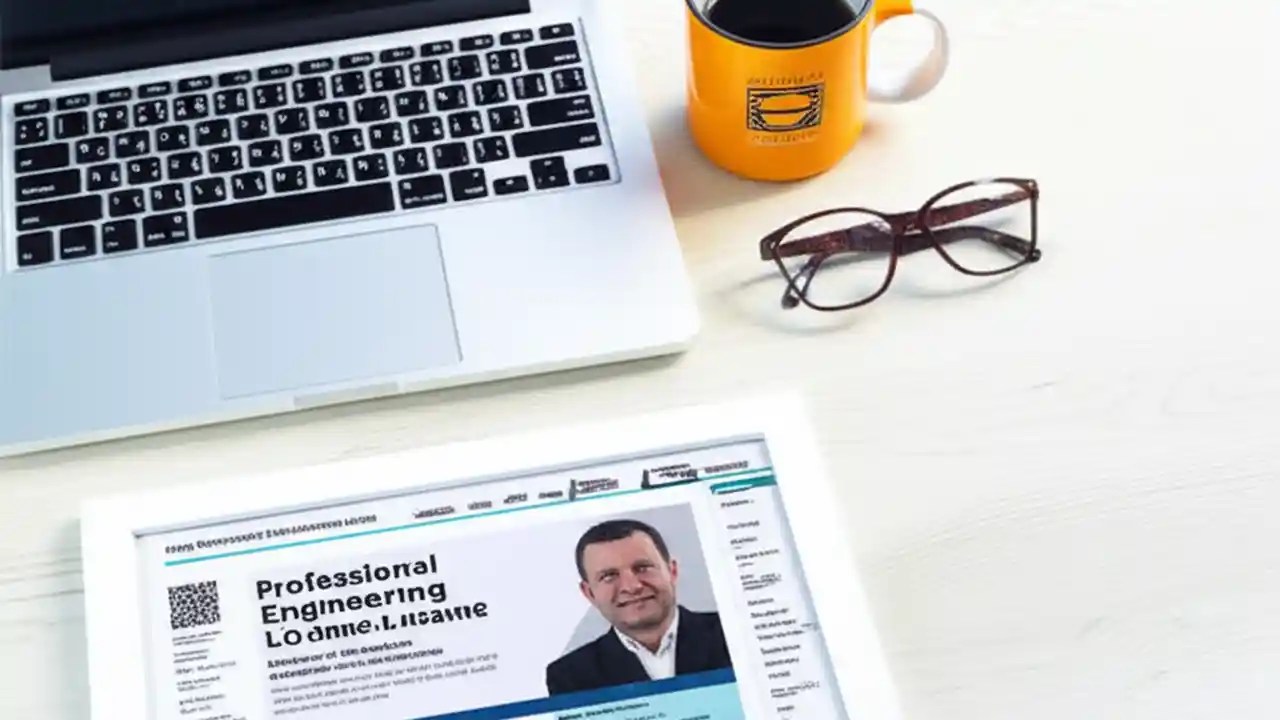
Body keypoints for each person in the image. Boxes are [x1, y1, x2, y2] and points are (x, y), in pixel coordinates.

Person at [545, 518, 732, 696]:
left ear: (672, 571)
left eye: (643, 568)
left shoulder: (735, 631)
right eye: (609, 576)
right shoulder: (569, 677)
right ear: (589, 593)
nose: (632, 586)